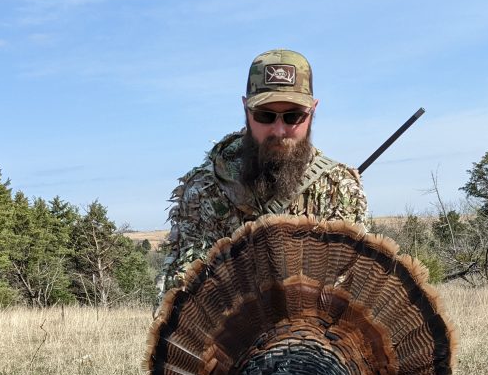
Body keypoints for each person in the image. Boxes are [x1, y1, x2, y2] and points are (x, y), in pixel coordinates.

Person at [157, 49, 369, 299]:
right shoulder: (204, 189)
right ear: (246, 108)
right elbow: (180, 291)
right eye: (265, 115)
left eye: (293, 116)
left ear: (313, 110)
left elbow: (354, 291)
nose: (279, 130)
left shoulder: (339, 190)